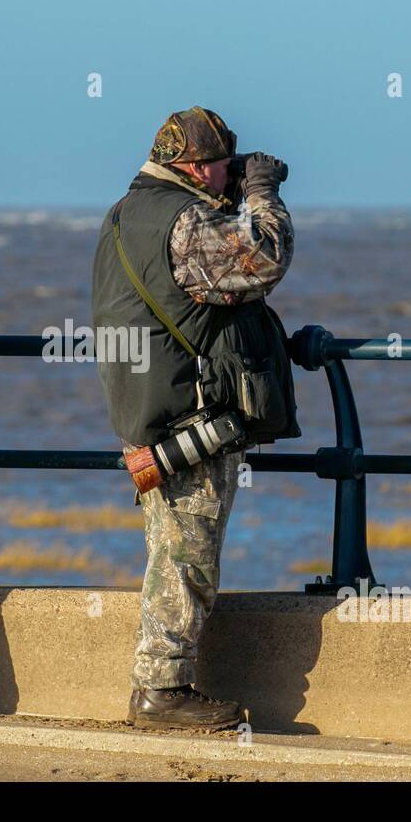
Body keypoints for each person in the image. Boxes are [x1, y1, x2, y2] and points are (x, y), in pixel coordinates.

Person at [91, 106, 299, 729]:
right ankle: (161, 689)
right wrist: (262, 193)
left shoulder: (125, 212)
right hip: (188, 417)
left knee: (171, 550)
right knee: (188, 556)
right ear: (197, 166)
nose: (228, 174)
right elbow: (263, 258)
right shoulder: (184, 220)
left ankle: (162, 683)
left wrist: (229, 193)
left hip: (144, 407)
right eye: (224, 165)